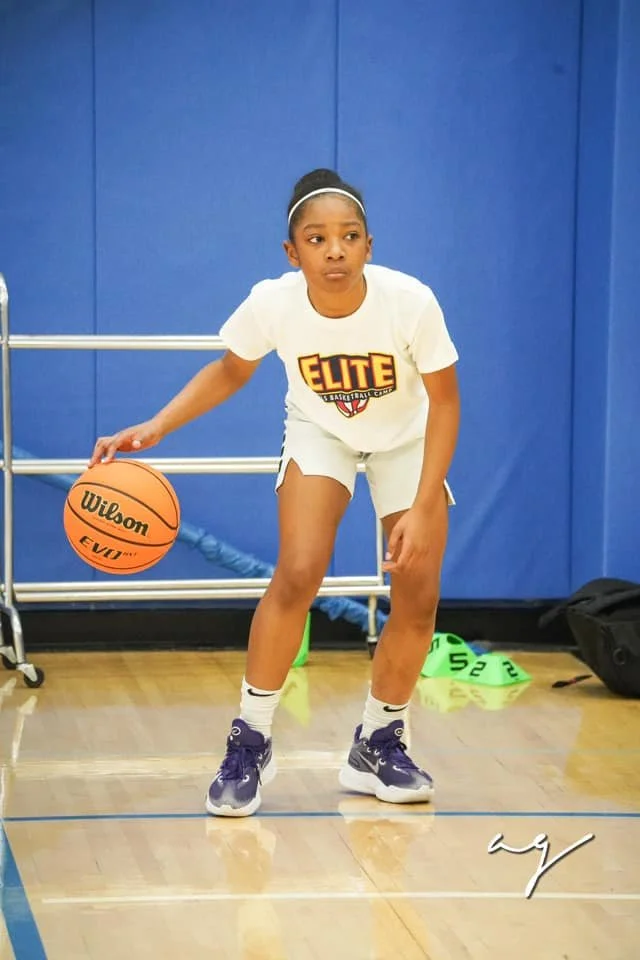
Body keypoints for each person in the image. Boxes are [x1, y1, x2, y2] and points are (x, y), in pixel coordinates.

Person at [90, 168, 461, 818]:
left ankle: (379, 739)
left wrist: (426, 503)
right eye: (317, 239)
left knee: (419, 591)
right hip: (321, 431)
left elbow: (447, 402)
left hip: (407, 440)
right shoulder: (274, 302)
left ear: (370, 245)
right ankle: (250, 739)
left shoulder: (411, 302)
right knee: (297, 572)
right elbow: (230, 369)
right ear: (294, 254)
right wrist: (155, 425)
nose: (335, 250)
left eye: (349, 236)